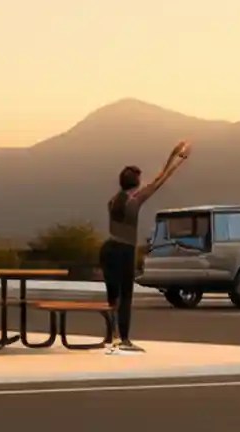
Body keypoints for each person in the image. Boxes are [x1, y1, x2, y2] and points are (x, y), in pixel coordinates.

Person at [100, 140, 191, 354]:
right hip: (124, 251)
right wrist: (176, 158)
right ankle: (124, 339)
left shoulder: (114, 201)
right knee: (126, 296)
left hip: (108, 248)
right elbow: (161, 178)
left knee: (112, 296)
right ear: (136, 182)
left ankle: (110, 335)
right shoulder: (135, 200)